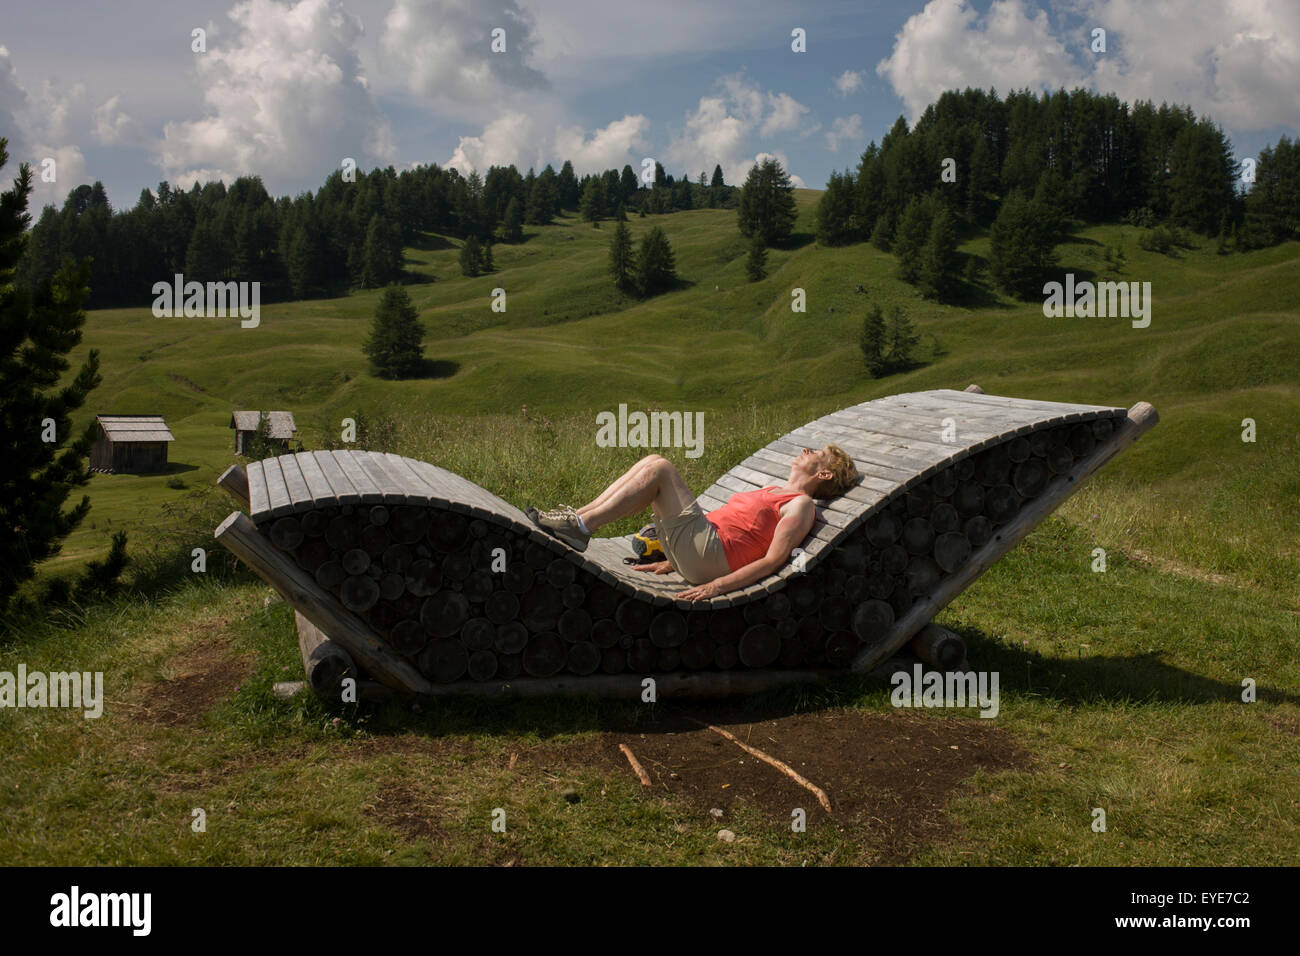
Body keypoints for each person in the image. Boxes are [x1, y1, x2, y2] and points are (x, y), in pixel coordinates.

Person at [527, 445, 859, 602]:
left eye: (815, 452)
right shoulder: (775, 491)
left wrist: (717, 586)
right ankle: (576, 521)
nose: (805, 449)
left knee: (661, 469)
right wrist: (673, 562)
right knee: (652, 462)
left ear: (824, 474)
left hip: (712, 557)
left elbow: (773, 561)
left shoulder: (800, 505)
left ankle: (579, 527)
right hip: (699, 549)